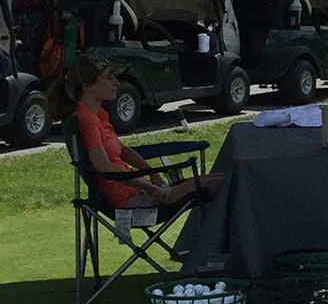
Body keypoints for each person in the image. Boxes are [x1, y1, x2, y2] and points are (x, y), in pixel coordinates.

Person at [67, 54, 223, 226]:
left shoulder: (99, 115)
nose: (117, 83)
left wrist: (153, 174)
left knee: (225, 179)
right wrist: (151, 188)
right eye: (109, 78)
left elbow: (123, 151)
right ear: (88, 85)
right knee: (224, 184)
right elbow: (104, 166)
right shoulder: (86, 119)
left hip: (140, 191)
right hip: (130, 201)